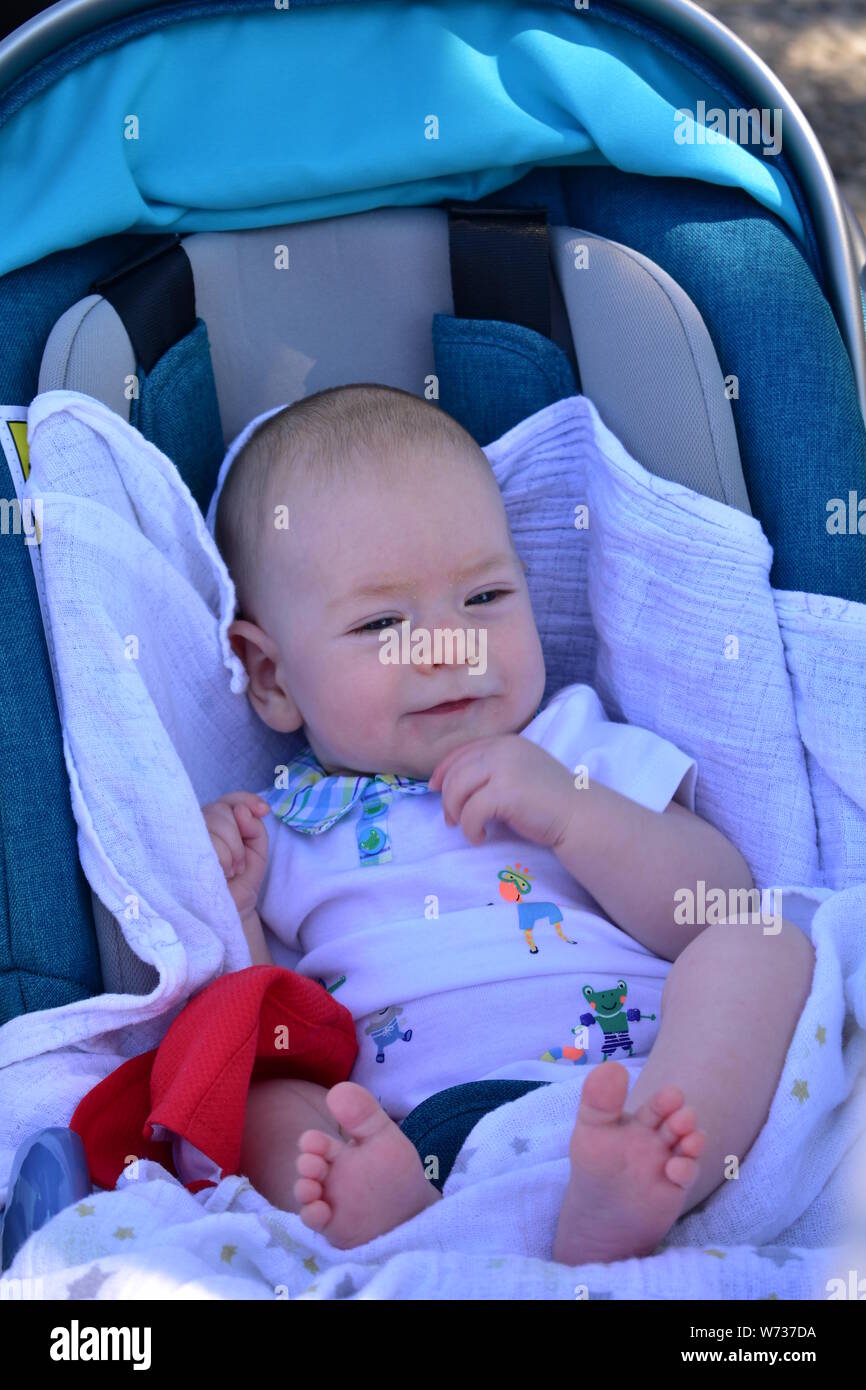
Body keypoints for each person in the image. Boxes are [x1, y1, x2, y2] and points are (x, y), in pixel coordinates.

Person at [200, 383, 814, 1264]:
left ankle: (649, 1170)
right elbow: (277, 1027)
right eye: (382, 622)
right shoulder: (285, 829)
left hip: (642, 1080)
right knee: (251, 1084)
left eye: (484, 598)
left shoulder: (570, 743)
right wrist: (240, 908)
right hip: (416, 1134)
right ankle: (381, 1210)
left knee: (762, 939)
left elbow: (711, 903)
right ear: (271, 678)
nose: (450, 646)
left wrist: (571, 812)